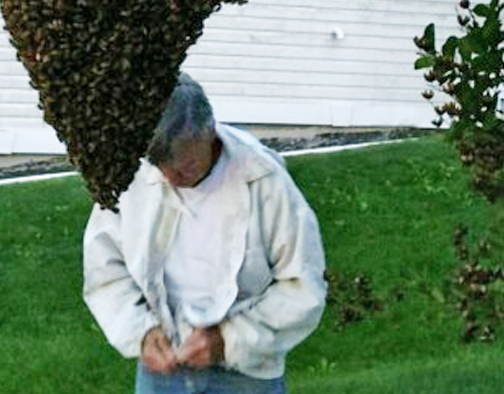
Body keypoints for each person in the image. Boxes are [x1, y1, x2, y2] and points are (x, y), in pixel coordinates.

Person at [83, 74, 327, 393]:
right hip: (161, 370)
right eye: (162, 167)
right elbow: (105, 271)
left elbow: (303, 285)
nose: (172, 179)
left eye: (185, 165)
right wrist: (141, 331)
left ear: (209, 133)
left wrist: (229, 340)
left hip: (247, 372)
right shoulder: (132, 175)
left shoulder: (264, 180)